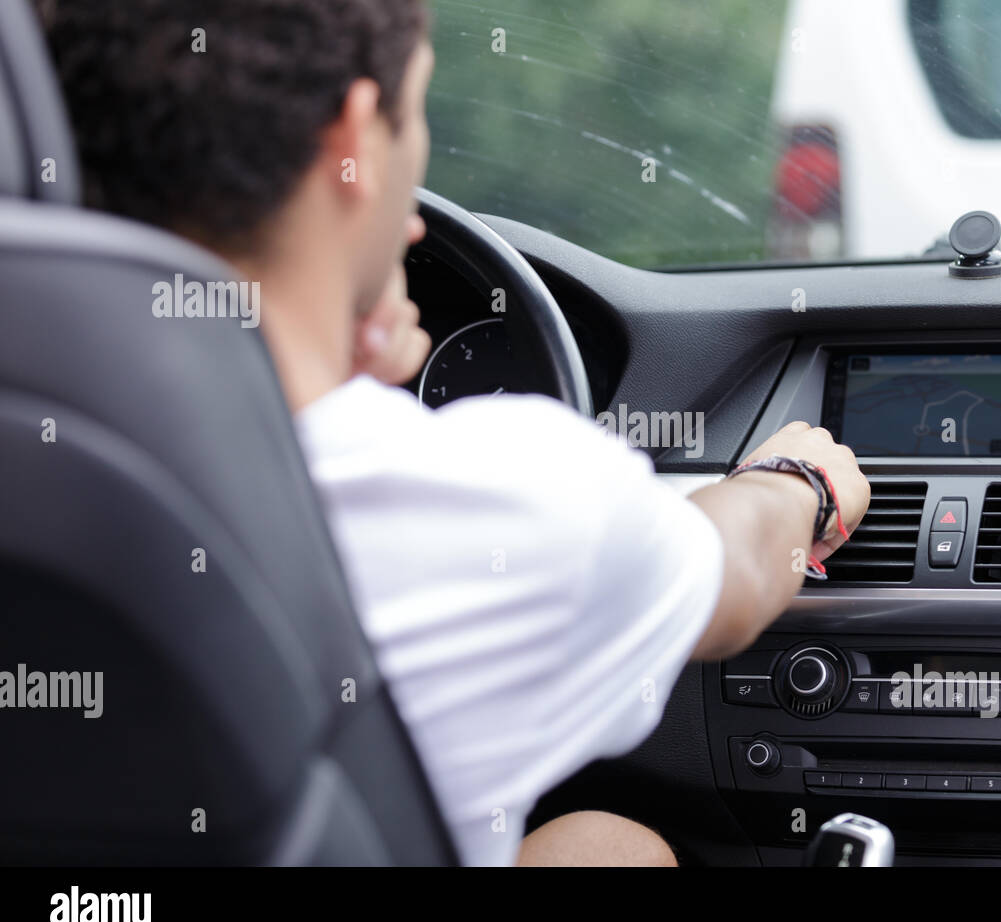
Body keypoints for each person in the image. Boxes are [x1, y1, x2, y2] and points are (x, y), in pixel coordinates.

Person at [37, 0, 870, 866]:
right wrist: (796, 480)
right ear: (355, 136)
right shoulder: (505, 498)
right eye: (416, 108)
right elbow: (732, 574)